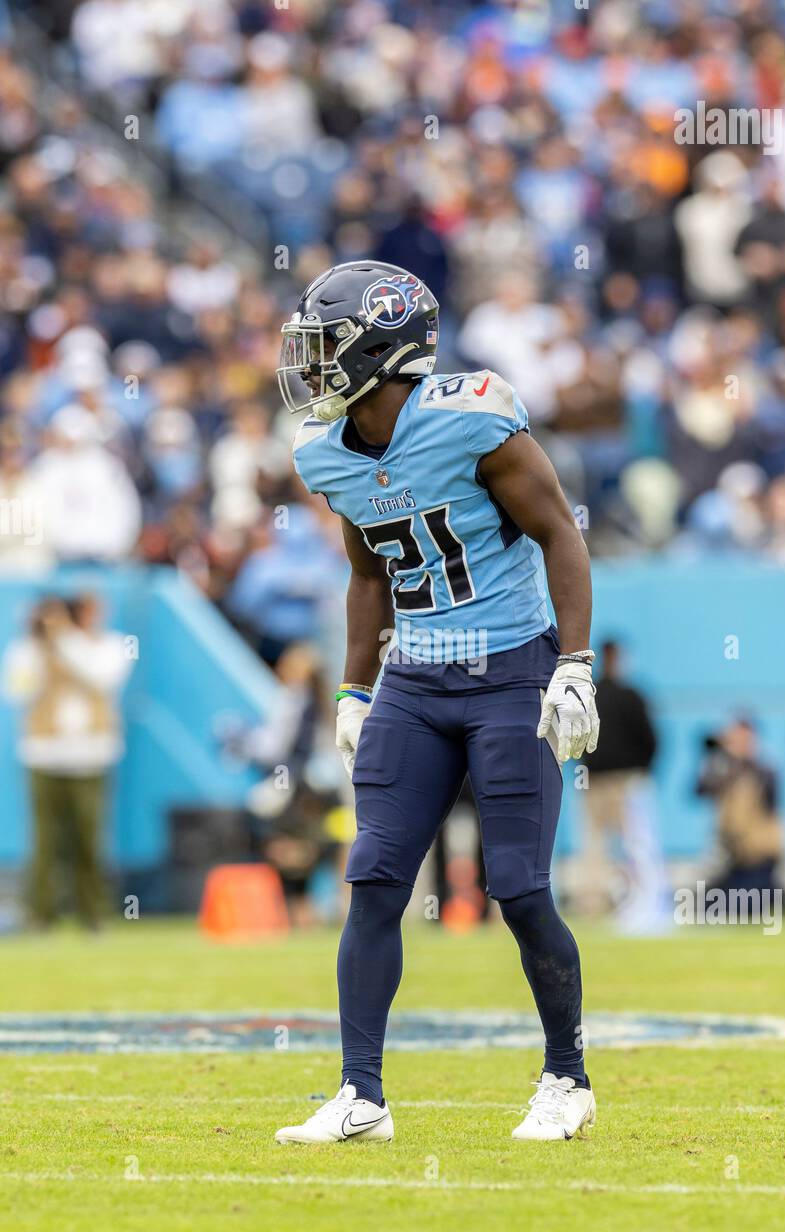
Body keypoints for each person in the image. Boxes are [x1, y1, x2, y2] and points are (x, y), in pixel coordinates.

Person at [273, 260, 599, 1144]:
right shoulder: (327, 451)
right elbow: (366, 577)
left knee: (520, 890)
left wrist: (573, 661)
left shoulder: (473, 417)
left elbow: (558, 533)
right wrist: (353, 689)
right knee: (374, 880)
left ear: (380, 348)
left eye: (324, 347)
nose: (307, 365)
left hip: (511, 671)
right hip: (415, 683)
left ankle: (566, 1077)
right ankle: (360, 1095)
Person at [2, 593, 131, 931]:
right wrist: (38, 645)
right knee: (45, 840)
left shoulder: (109, 646)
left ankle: (94, 914)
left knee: (89, 838)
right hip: (43, 752)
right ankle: (40, 915)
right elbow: (17, 693)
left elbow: (100, 677)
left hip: (91, 753)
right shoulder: (28, 650)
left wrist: (63, 637)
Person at [579, 639, 657, 914]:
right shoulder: (630, 695)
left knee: (595, 847)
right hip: (624, 781)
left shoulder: (590, 693)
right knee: (634, 845)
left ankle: (595, 906)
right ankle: (639, 903)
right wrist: (644, 769)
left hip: (594, 780)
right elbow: (650, 738)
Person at [696, 718, 783, 900]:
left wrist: (738, 764)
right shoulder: (722, 768)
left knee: (751, 900)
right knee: (708, 901)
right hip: (728, 852)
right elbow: (700, 790)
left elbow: (771, 800)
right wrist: (718, 761)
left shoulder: (763, 769)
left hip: (756, 855)